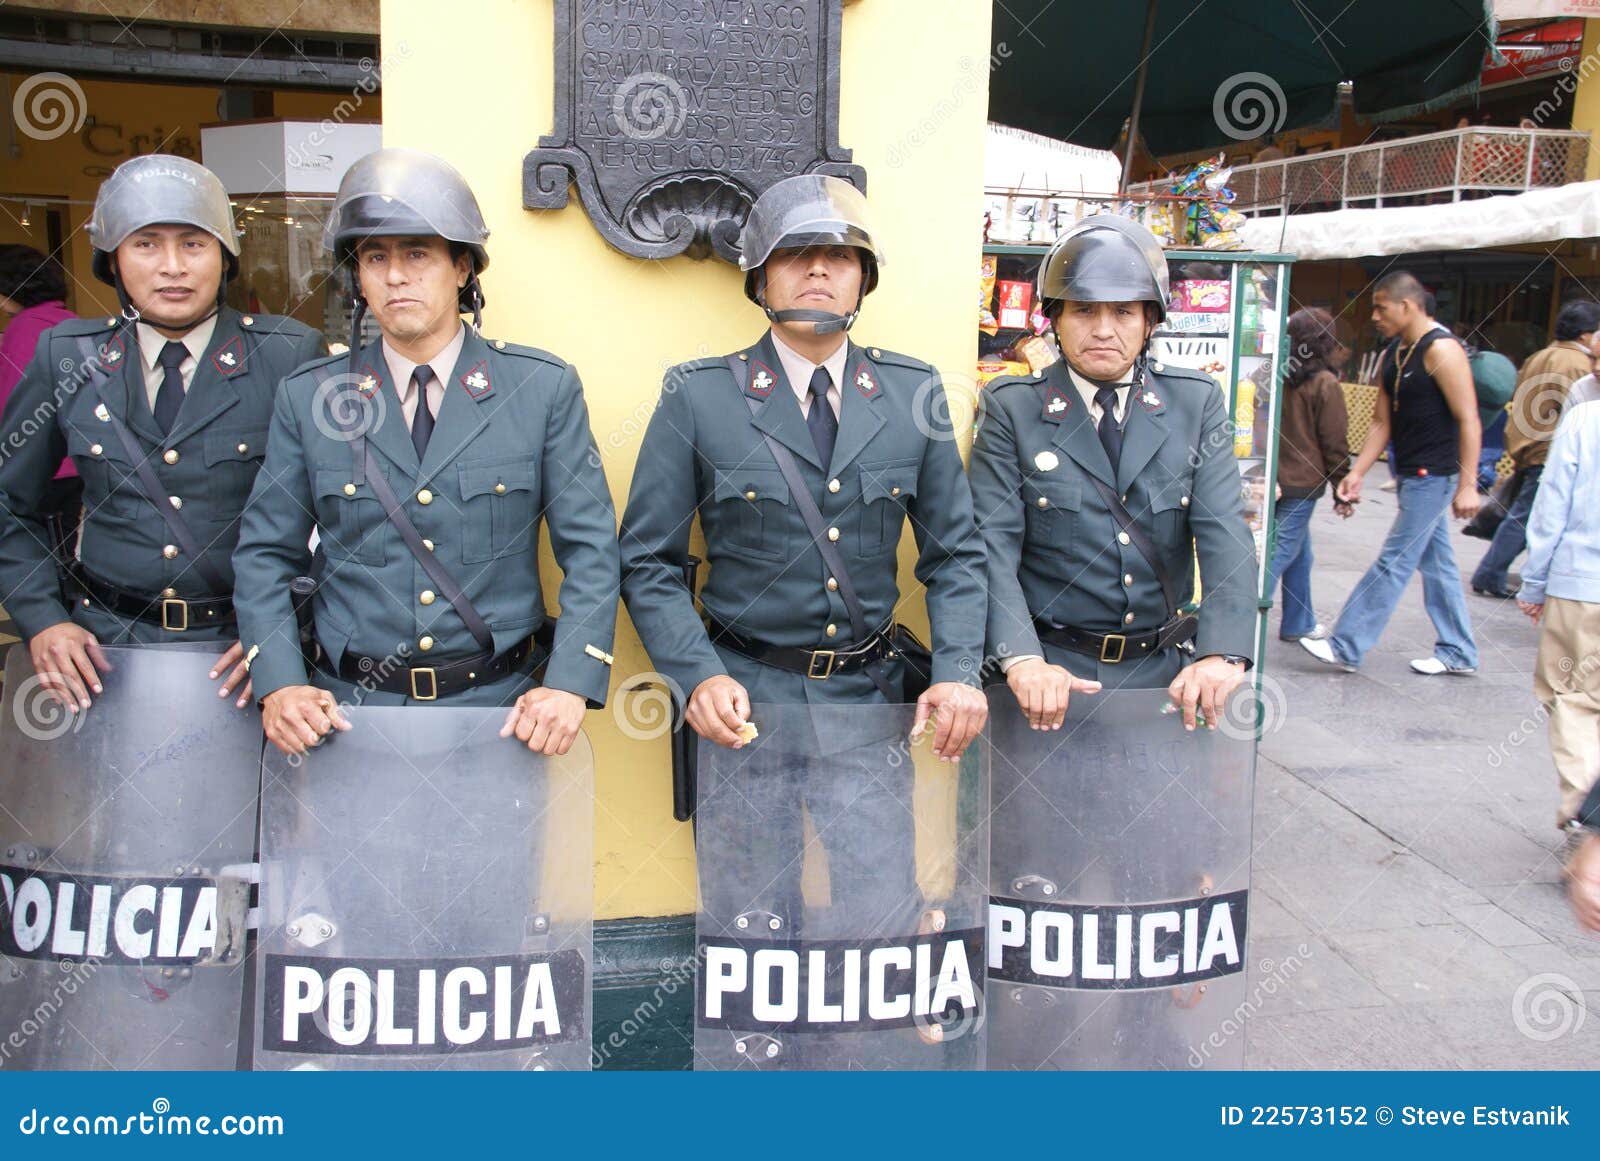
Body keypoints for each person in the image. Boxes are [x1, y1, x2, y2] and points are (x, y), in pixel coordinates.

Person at [232, 148, 619, 757]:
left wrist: (571, 682)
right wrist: (279, 682)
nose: (395, 276)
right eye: (375, 258)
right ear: (356, 277)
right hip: (349, 716)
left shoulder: (540, 389)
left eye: (418, 254)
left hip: (499, 713)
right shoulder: (311, 399)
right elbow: (264, 554)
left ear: (462, 268)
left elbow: (591, 549)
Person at [619, 174, 988, 757]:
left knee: (878, 855)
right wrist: (699, 675)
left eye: (840, 256)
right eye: (794, 254)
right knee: (753, 855)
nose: (818, 270)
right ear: (760, 276)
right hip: (744, 705)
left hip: (872, 702)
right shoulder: (698, 395)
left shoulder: (913, 394)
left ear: (863, 279)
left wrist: (959, 670)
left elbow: (957, 556)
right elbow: (647, 560)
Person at [0, 155, 324, 713]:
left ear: (225, 258)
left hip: (242, 656)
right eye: (146, 244)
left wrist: (280, 637)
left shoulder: (288, 353)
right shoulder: (67, 357)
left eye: (194, 244)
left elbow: (346, 516)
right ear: (113, 261)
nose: (172, 266)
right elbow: (10, 502)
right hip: (105, 653)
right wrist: (44, 618)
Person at [968, 214, 1257, 733]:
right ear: (1054, 319)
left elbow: (1224, 533)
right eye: (1083, 311)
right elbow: (992, 546)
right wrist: (1020, 659)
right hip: (1048, 677)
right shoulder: (1012, 408)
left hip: (1164, 677)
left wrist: (1223, 653)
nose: (1103, 329)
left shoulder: (1195, 402)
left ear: (1150, 320)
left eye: (1123, 312)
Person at [1301, 271, 1481, 677]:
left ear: (1408, 305)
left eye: (1381, 308)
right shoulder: (1394, 353)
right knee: (1438, 565)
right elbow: (1382, 423)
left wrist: (1468, 485)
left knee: (1394, 560)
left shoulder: (1442, 350)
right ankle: (1459, 650)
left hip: (1434, 473)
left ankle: (1347, 645)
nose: (1375, 317)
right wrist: (1358, 472)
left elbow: (1468, 418)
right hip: (1411, 472)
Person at [1514, 361, 1600, 853]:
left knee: (1570, 694)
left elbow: (1552, 504)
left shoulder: (1583, 420)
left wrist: (1535, 580)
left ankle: (1582, 811)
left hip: (1582, 584)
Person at [1472, 300, 1600, 599]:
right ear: (1584, 335)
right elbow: (1578, 413)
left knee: (1524, 514)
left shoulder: (1542, 355)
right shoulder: (1577, 365)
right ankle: (1491, 573)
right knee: (1527, 516)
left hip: (1526, 444)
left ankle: (1494, 572)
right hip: (1548, 450)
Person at [1267, 307, 1351, 642]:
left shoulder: (1278, 374)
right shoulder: (1325, 383)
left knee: (1300, 551)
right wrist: (1341, 485)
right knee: (1279, 552)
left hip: (1274, 476)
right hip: (1302, 481)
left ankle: (1298, 623)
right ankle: (1240, 619)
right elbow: (1334, 440)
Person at [0, 245, 80, 558]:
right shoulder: (70, 321)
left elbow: (13, 403)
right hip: (76, 462)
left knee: (30, 556)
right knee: (63, 553)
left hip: (37, 463)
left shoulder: (24, 328)